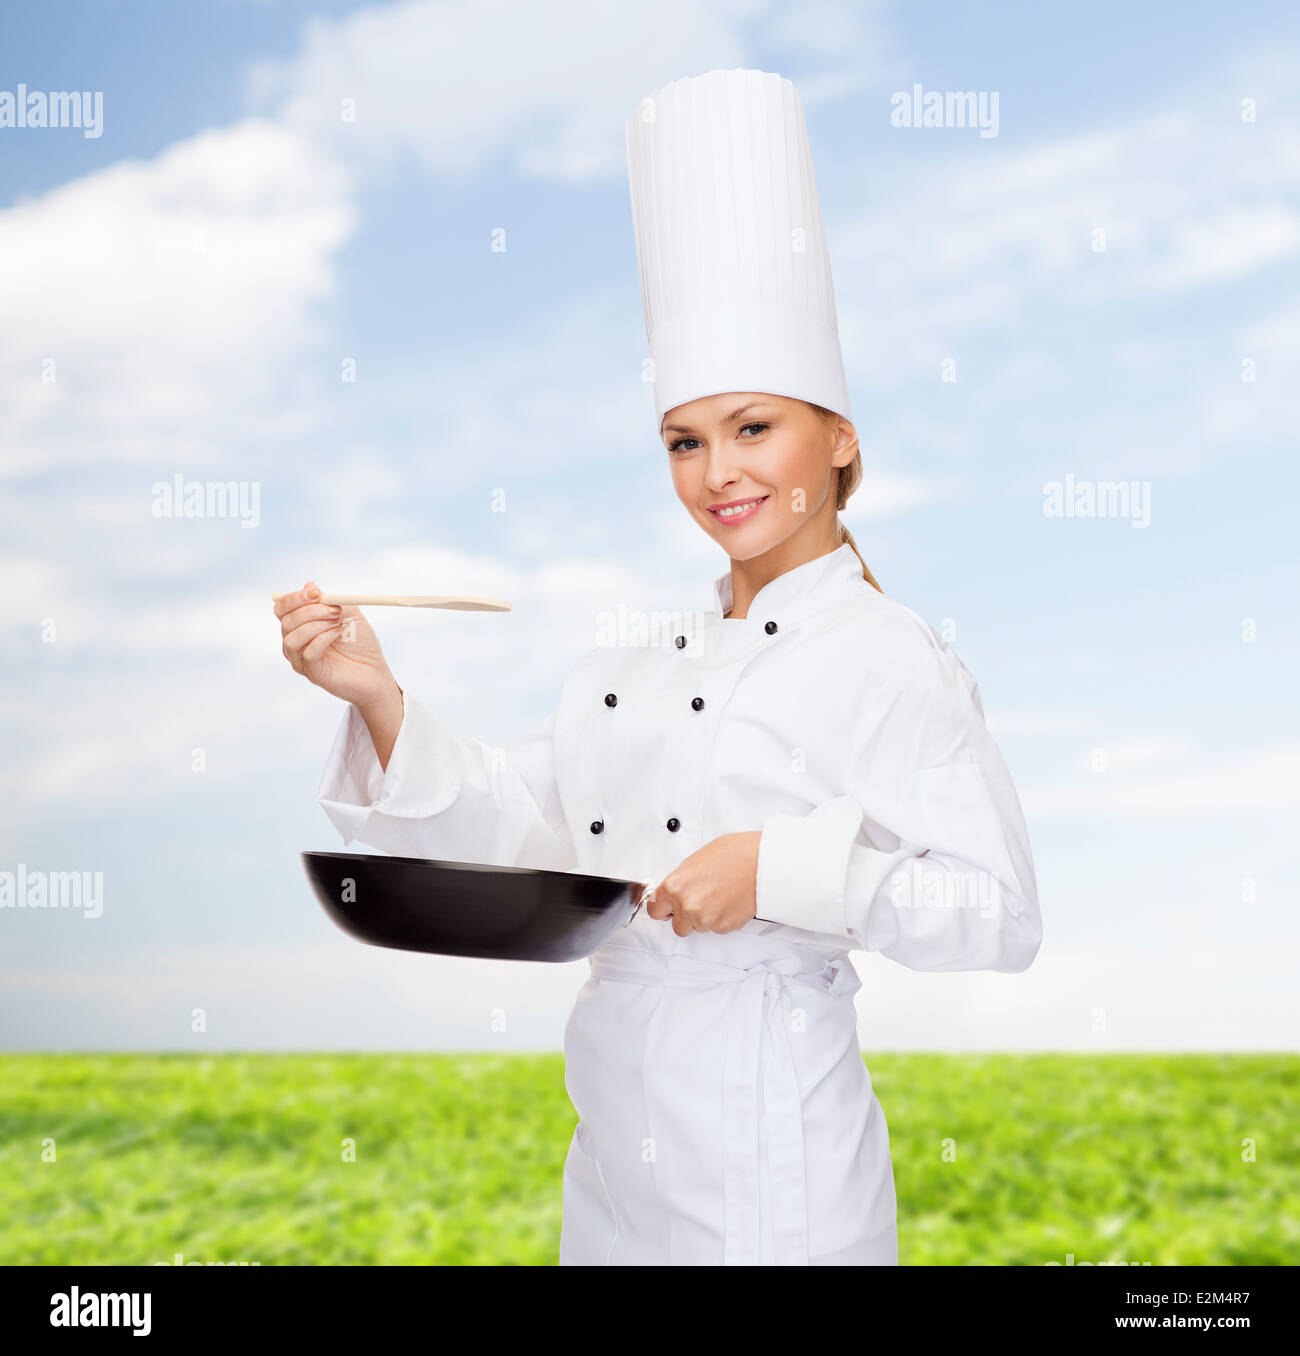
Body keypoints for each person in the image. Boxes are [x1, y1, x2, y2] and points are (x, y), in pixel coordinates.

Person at [273, 68, 1042, 1266]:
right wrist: (377, 695)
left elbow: (998, 917)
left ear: (836, 440)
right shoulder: (639, 653)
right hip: (616, 1148)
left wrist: (777, 869)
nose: (716, 473)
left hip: (775, 1164)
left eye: (753, 428)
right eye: (685, 441)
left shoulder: (891, 659)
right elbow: (533, 818)